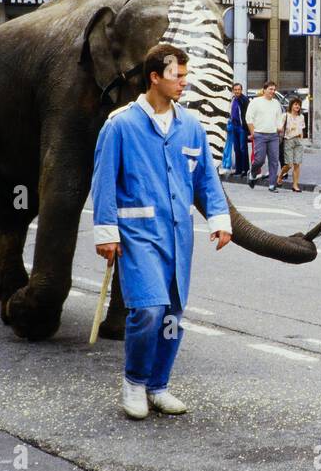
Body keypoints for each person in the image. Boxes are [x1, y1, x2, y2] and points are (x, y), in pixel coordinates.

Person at [91, 43, 231, 420]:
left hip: (178, 236)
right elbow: (103, 181)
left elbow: (206, 179)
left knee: (172, 313)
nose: (184, 83)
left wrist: (219, 220)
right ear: (155, 77)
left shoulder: (191, 126)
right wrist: (106, 232)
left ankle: (159, 385)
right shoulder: (120, 124)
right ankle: (134, 382)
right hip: (137, 234)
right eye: (178, 76)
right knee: (148, 310)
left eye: (186, 76)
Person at [245, 80, 283, 192]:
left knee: (274, 160)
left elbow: (279, 118)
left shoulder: (276, 103)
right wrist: (253, 133)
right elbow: (249, 118)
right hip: (259, 135)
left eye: (274, 89)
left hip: (273, 136)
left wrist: (279, 128)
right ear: (264, 90)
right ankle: (252, 172)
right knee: (259, 160)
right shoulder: (256, 102)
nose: (273, 91)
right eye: (270, 89)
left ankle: (272, 185)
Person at [278, 97, 307, 192]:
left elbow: (302, 128)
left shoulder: (301, 117)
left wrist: (301, 138)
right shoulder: (285, 115)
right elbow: (279, 127)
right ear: (291, 106)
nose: (297, 106)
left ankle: (295, 185)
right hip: (288, 140)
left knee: (297, 164)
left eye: (299, 104)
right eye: (295, 104)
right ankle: (280, 175)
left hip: (298, 141)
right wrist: (280, 129)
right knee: (289, 165)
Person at [228, 82, 250, 180]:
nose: (237, 91)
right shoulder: (233, 99)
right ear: (233, 90)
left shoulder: (244, 100)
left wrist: (246, 128)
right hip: (234, 126)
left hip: (242, 127)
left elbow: (248, 115)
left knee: (243, 148)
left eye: (239, 89)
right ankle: (238, 169)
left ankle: (245, 170)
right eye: (235, 89)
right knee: (236, 148)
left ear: (241, 90)